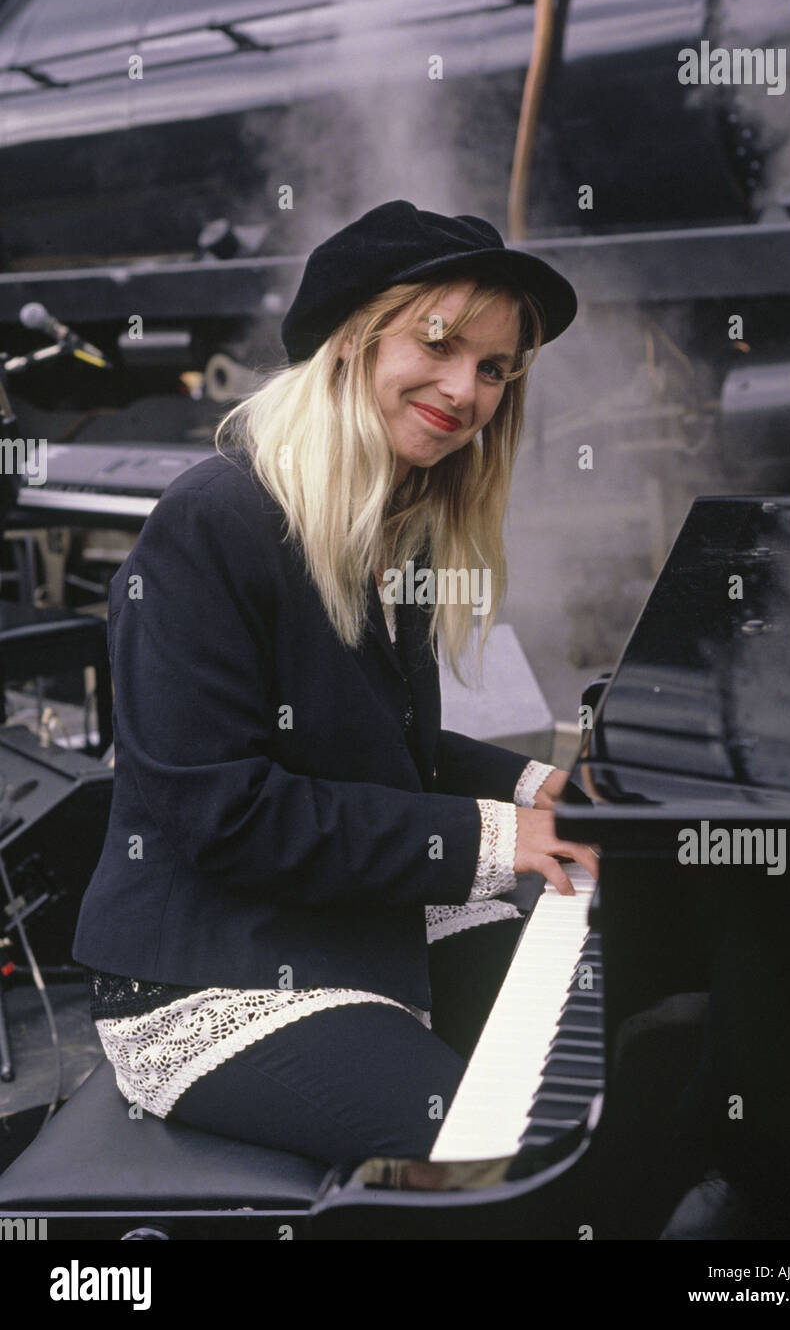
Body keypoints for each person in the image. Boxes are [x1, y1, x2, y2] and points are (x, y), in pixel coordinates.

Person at [72, 200, 599, 1168]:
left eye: (493, 368)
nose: (466, 389)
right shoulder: (213, 520)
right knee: (490, 1150)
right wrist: (497, 837)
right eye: (439, 343)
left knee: (603, 1034)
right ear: (353, 338)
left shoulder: (393, 513)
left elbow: (367, 740)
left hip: (338, 928)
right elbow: (226, 812)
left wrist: (540, 791)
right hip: (208, 982)